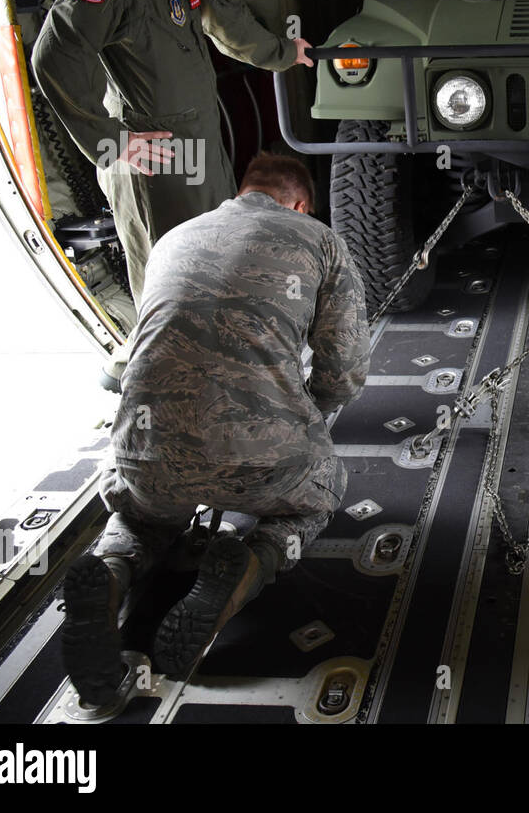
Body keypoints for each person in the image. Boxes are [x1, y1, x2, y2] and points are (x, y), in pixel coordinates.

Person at [60, 154, 370, 703]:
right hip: (263, 463)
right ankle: (250, 567)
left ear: (244, 191)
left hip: (148, 455)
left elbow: (153, 340)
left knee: (141, 516)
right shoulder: (320, 240)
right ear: (300, 204)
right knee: (320, 494)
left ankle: (108, 574)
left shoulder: (175, 237)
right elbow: (343, 372)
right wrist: (304, 416)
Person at [31, 0, 315, 388]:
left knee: (213, 259)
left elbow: (223, 20)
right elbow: (55, 58)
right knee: (171, 276)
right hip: (158, 151)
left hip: (199, 140)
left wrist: (282, 51)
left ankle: (211, 374)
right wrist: (113, 142)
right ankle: (158, 386)